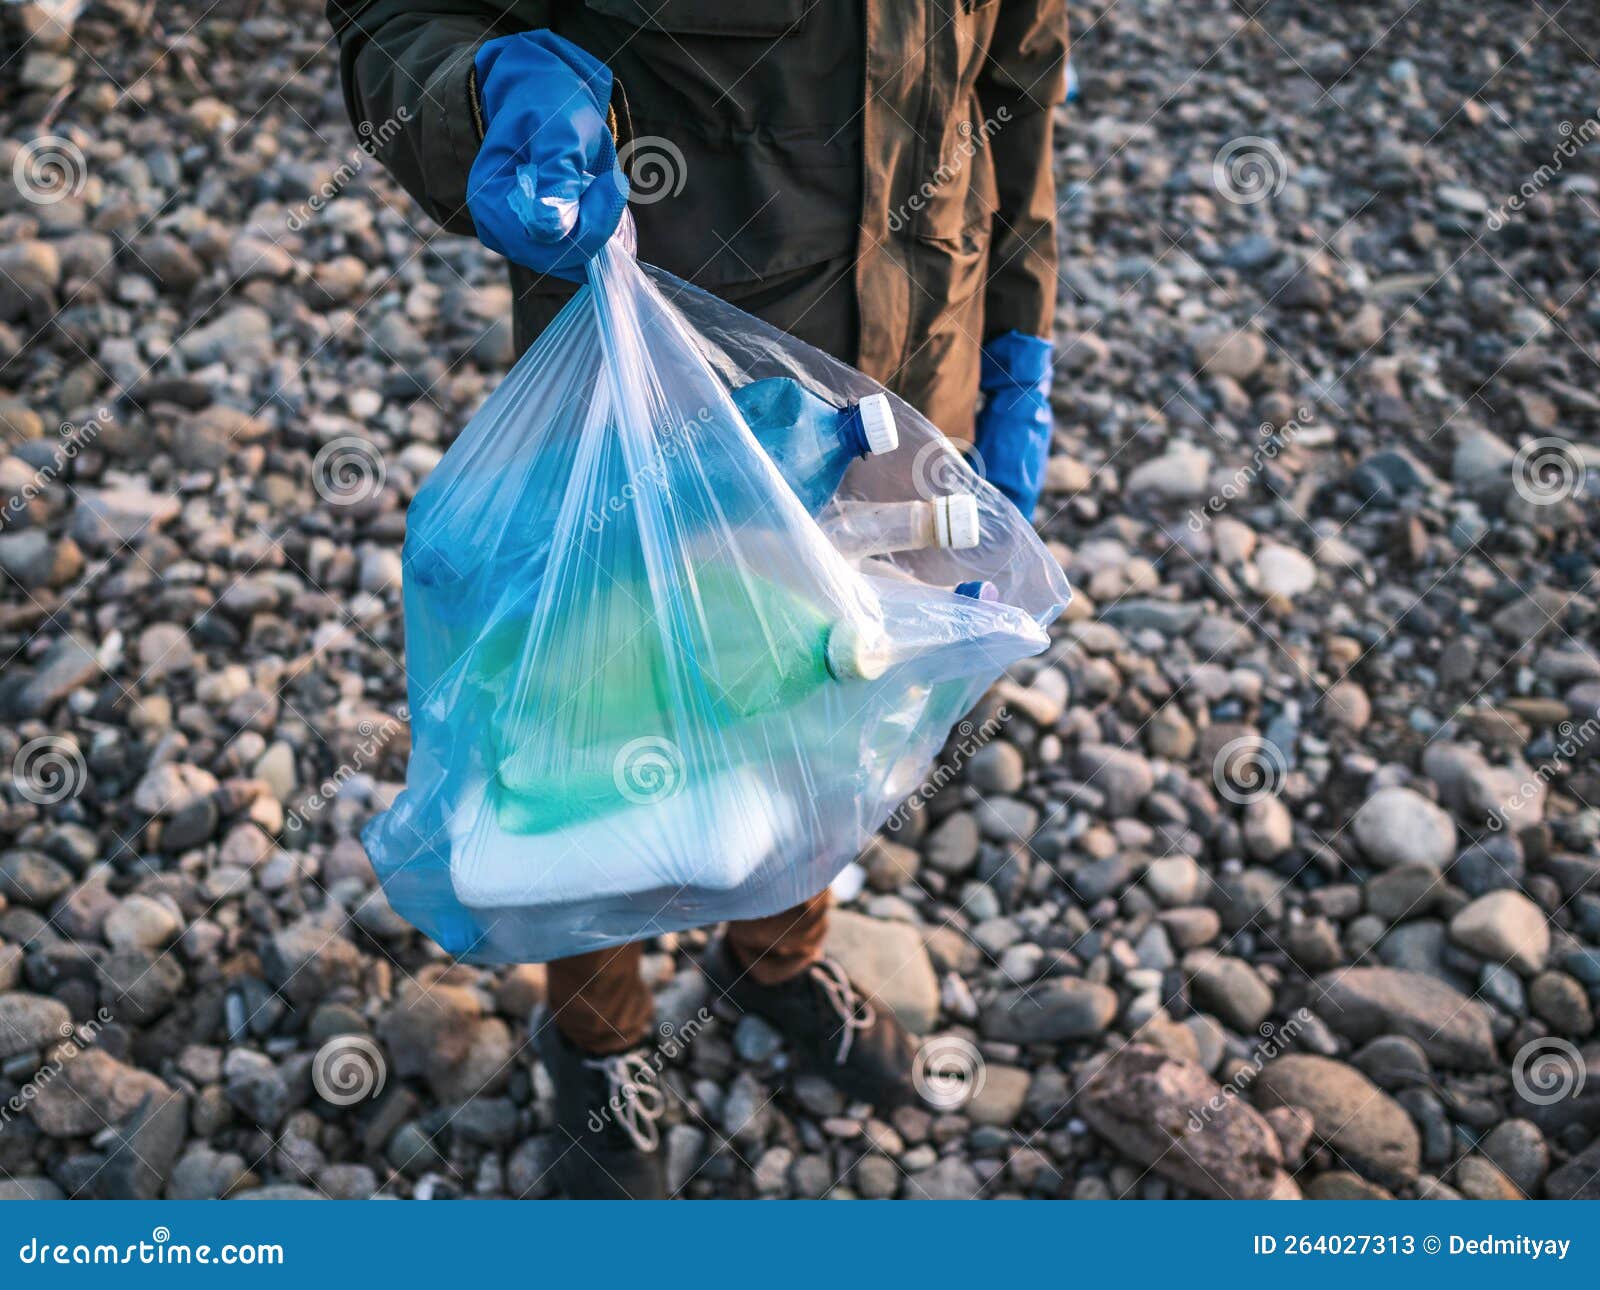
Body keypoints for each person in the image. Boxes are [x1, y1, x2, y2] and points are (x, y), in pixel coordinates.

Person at [327, 0, 1067, 1198]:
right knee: (595, 732)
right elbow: (394, 21)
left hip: (907, 372)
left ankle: (775, 956)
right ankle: (602, 1036)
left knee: (833, 685)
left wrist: (1018, 339)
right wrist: (483, 92)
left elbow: (1018, 78)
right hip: (665, 390)